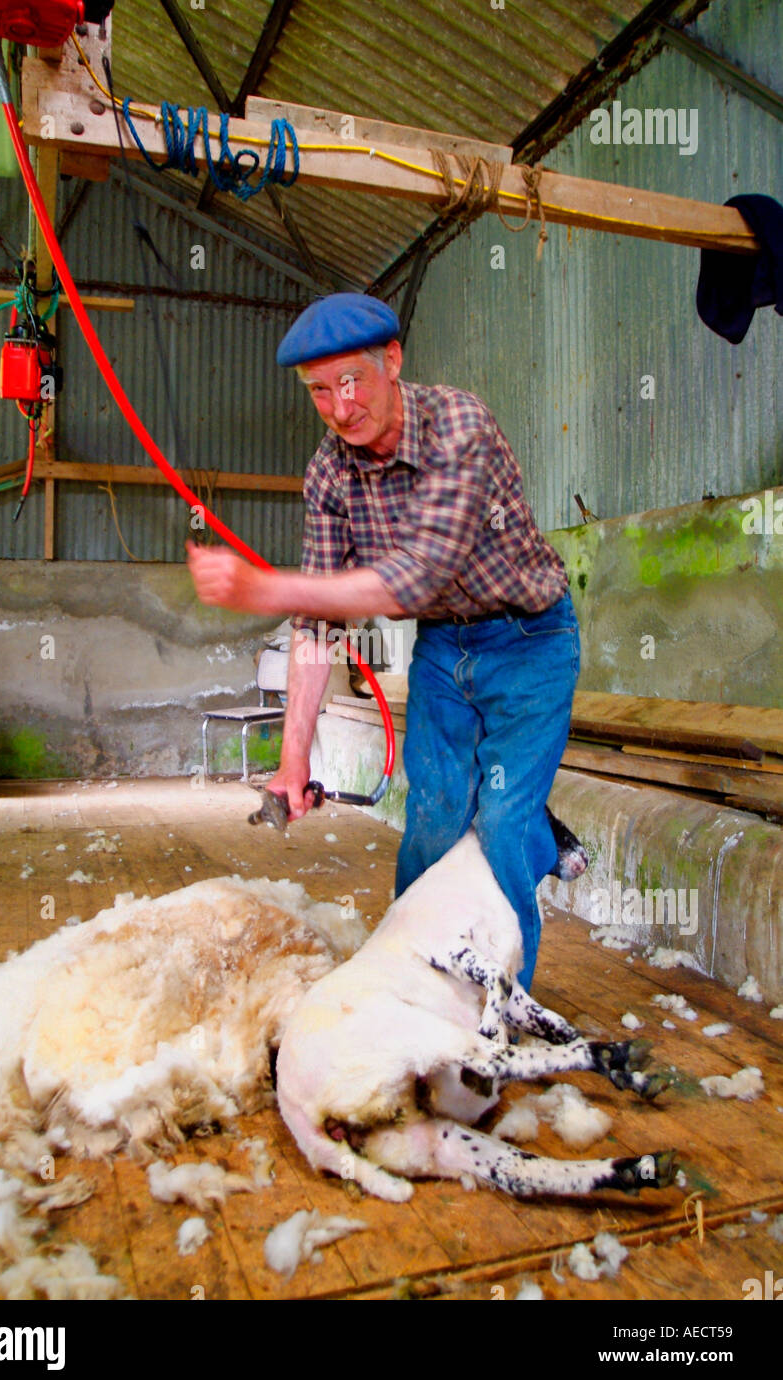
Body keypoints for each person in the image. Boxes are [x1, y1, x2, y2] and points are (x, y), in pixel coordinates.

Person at [186, 293, 583, 991]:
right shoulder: (329, 473)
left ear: (391, 362)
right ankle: (404, 986)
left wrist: (267, 587)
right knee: (431, 819)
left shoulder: (461, 426)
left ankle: (502, 1008)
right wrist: (291, 759)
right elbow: (317, 627)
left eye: (350, 382)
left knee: (503, 825)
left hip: (529, 641)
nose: (338, 409)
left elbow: (412, 577)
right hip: (441, 648)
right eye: (317, 391)